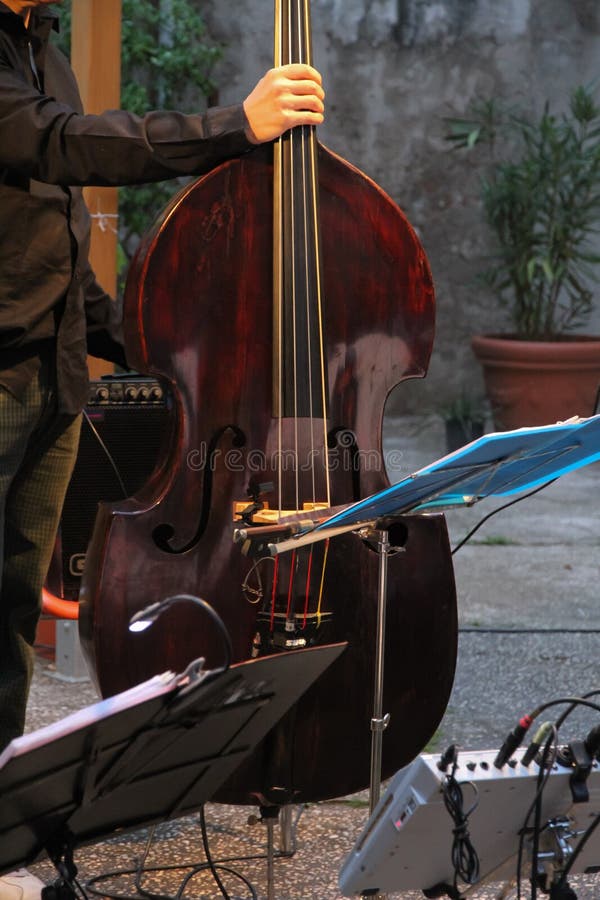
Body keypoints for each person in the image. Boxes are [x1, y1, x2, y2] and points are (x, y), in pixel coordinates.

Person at [0, 0, 324, 895]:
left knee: (11, 613)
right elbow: (59, 145)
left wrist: (157, 347)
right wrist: (234, 126)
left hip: (52, 375)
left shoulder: (42, 47)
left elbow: (54, 233)